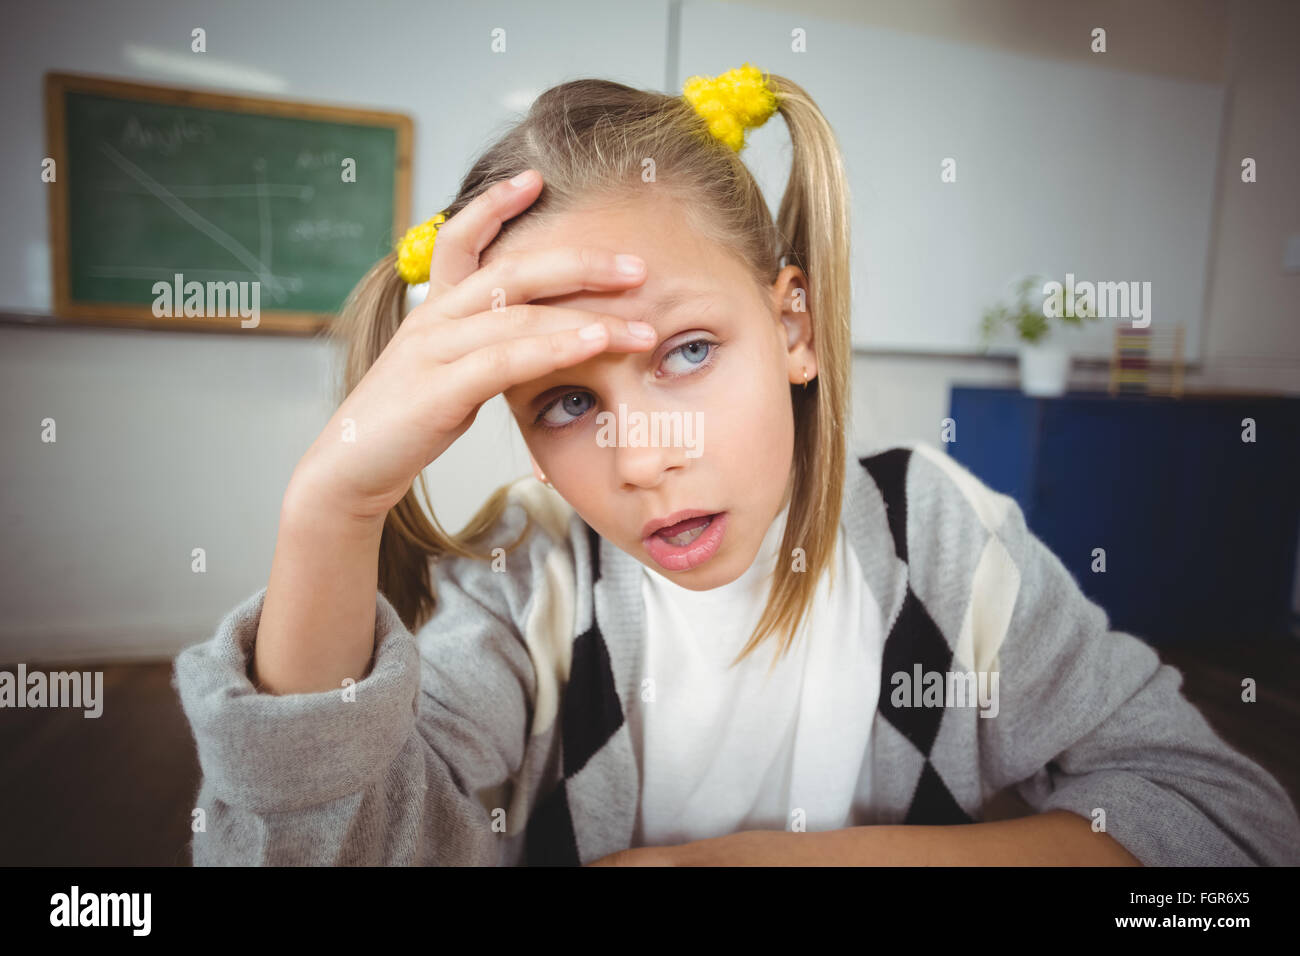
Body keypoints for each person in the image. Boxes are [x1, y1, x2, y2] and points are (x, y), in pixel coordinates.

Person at [173, 64, 1300, 866]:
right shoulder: (526, 578)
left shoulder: (939, 537)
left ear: (793, 325)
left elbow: (1227, 821)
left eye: (688, 352)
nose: (646, 456)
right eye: (569, 400)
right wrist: (330, 507)